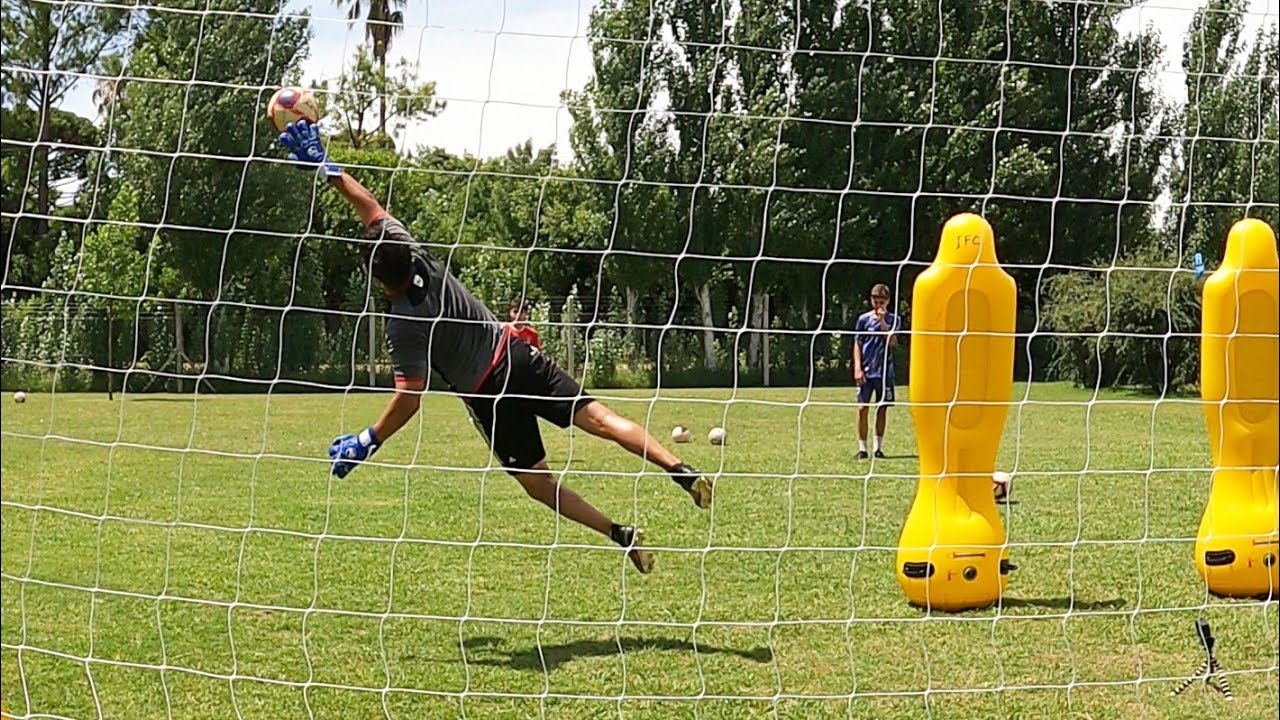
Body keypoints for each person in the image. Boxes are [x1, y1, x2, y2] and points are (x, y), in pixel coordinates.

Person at [277, 120, 712, 574]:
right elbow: (370, 207)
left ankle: (618, 533)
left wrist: (369, 440)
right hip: (518, 356)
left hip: (490, 395)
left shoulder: (402, 322)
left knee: (538, 483)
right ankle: (679, 469)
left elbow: (410, 397)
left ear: (376, 277)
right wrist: (327, 168)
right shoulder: (414, 249)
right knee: (600, 418)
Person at [851, 283, 902, 459]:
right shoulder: (863, 320)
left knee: (882, 408)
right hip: (866, 370)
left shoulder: (894, 319)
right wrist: (857, 368)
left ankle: (878, 448)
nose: (878, 304)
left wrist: (882, 322)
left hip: (885, 371)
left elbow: (893, 342)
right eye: (875, 300)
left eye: (881, 301)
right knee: (862, 408)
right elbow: (857, 344)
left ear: (888, 301)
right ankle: (862, 449)